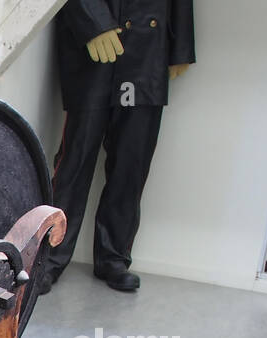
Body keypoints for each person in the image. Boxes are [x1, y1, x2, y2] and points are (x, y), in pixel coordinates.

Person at [38, 1, 195, 293]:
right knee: (75, 161)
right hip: (92, 48)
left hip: (148, 50)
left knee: (131, 164)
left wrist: (180, 46)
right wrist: (93, 21)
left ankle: (114, 258)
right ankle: (48, 258)